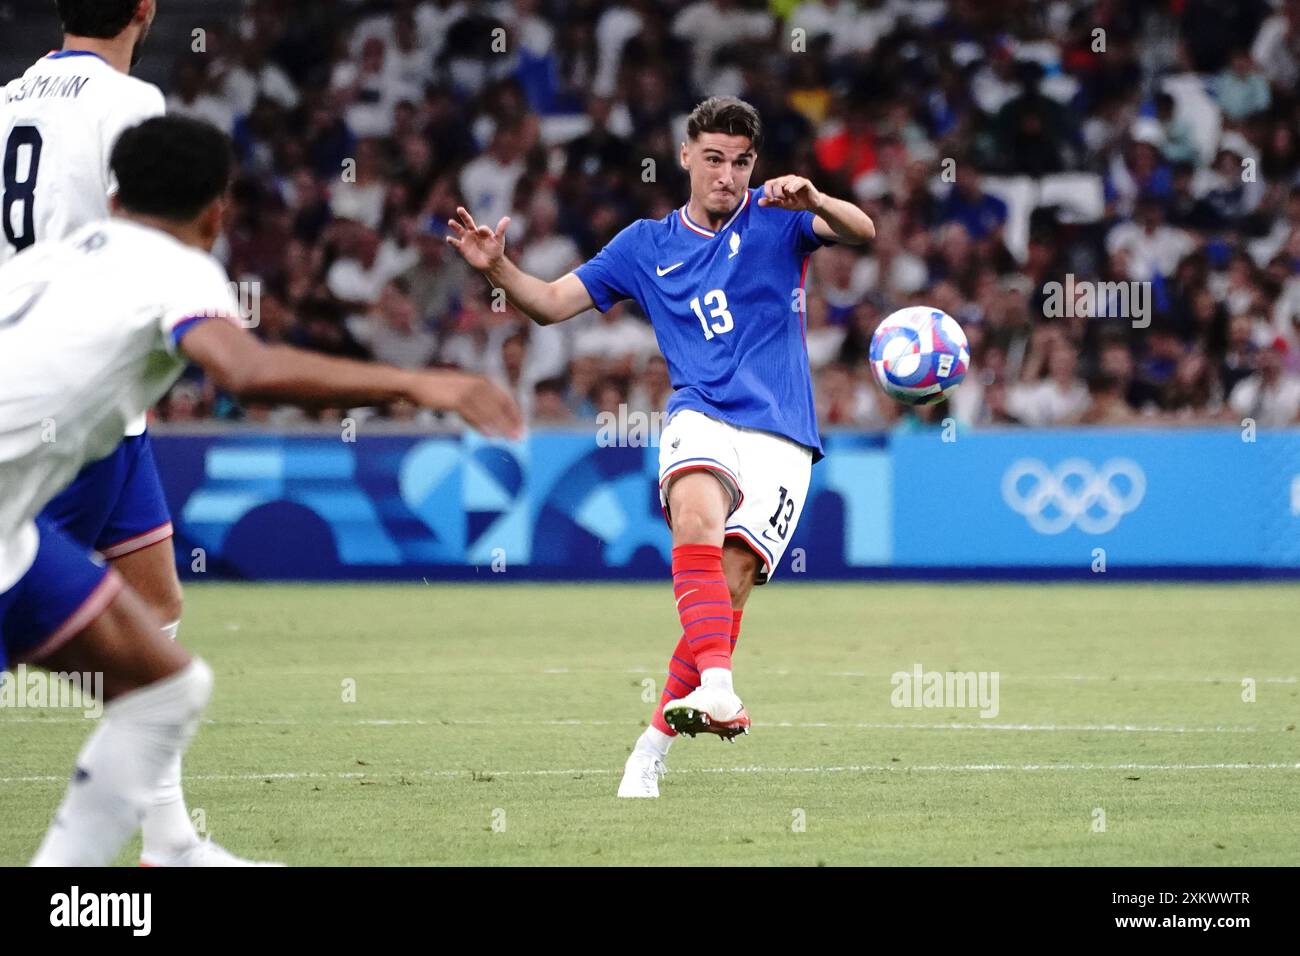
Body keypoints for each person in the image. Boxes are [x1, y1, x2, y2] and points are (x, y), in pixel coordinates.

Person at [0, 114, 521, 865]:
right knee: (162, 688)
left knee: (166, 688)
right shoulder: (180, 268)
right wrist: (417, 381)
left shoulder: (42, 263)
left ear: (113, 198)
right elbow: (248, 371)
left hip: (15, 535)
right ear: (218, 211)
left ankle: (152, 859)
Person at [445, 95, 873, 798]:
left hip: (785, 433)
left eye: (740, 162)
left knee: (731, 582)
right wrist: (496, 269)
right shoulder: (643, 245)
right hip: (699, 412)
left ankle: (650, 747)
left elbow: (864, 231)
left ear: (753, 165)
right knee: (696, 519)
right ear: (685, 157)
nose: (726, 175)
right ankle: (722, 691)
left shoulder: (780, 216)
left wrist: (818, 195)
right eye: (712, 159)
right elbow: (550, 304)